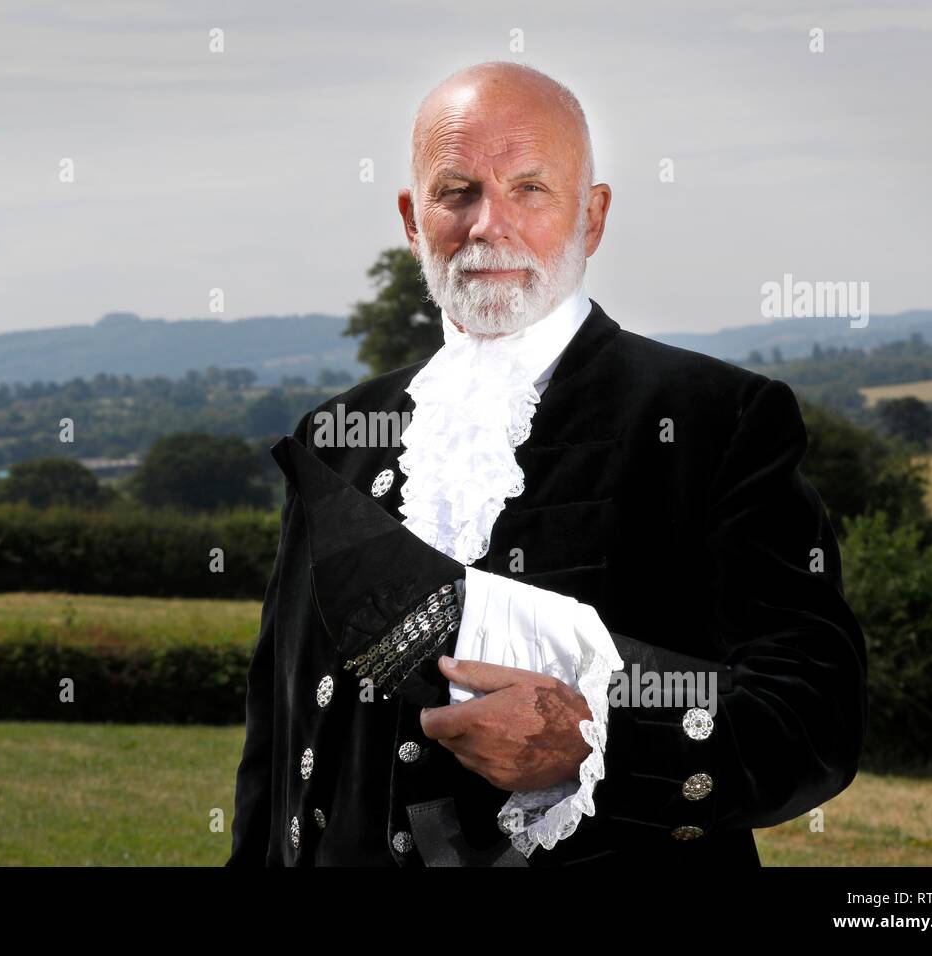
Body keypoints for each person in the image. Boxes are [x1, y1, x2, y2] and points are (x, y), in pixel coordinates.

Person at [227, 61, 867, 867]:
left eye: (530, 188)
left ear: (591, 218)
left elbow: (814, 720)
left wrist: (593, 740)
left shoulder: (716, 419)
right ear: (412, 220)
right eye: (456, 190)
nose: (488, 223)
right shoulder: (336, 435)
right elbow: (278, 738)